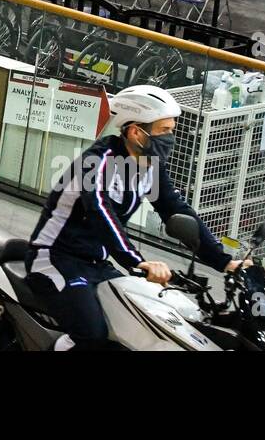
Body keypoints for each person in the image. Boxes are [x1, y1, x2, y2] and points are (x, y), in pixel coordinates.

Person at [24, 85, 244, 350]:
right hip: (55, 259)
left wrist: (225, 262)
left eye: (172, 130)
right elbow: (100, 211)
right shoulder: (97, 162)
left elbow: (176, 210)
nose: (171, 137)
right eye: (164, 130)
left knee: (132, 324)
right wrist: (138, 262)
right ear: (136, 132)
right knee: (91, 333)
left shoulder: (149, 166)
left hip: (98, 264)